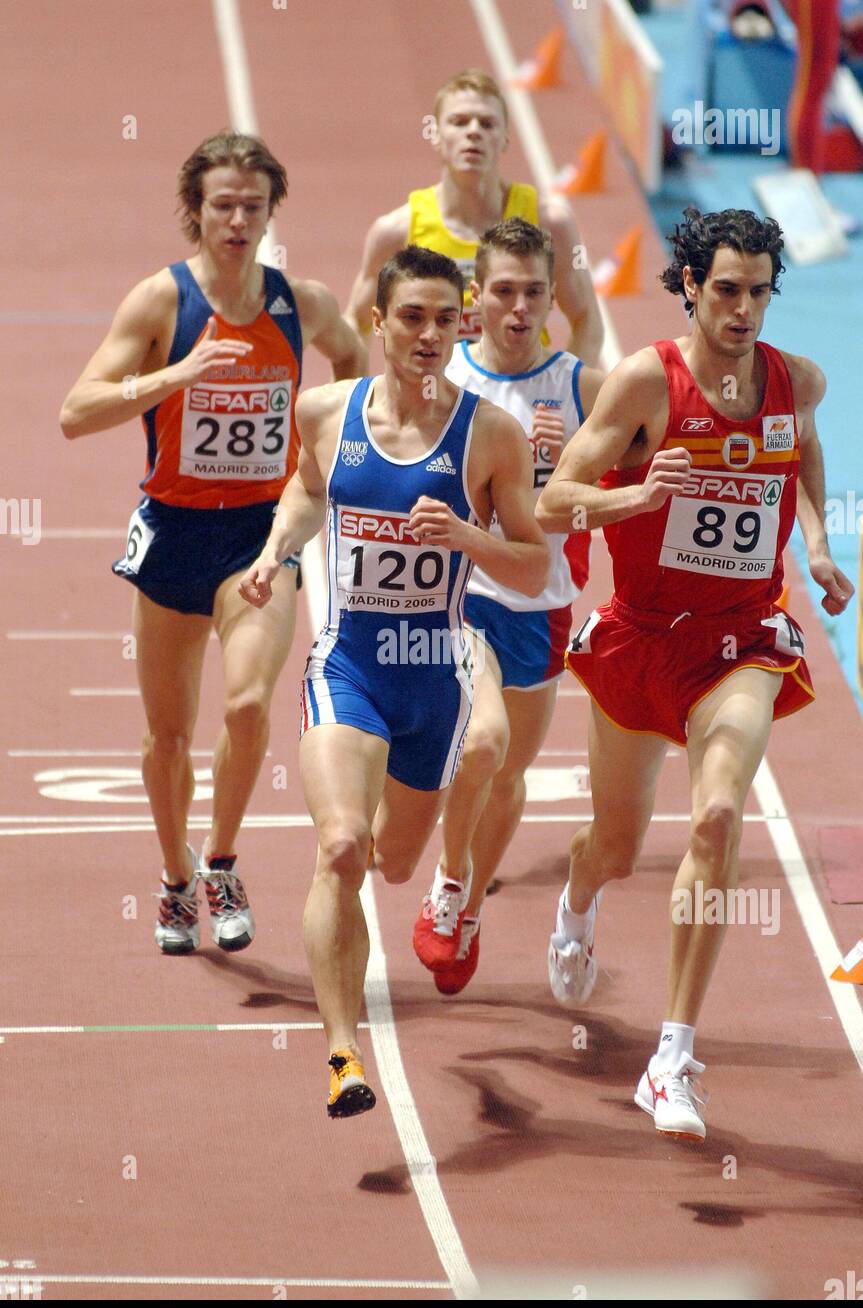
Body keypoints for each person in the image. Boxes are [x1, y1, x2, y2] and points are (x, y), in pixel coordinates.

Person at [536, 205, 854, 1141]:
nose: (743, 309)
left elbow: (799, 450)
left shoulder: (795, 381)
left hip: (741, 638)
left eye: (758, 292)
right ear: (688, 285)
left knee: (716, 815)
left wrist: (821, 543)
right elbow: (556, 498)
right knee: (616, 846)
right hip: (641, 637)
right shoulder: (645, 381)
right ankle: (578, 899)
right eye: (725, 289)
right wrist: (639, 492)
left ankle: (672, 1055)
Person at [239, 246, 548, 1117]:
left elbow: (531, 568)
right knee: (340, 847)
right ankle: (344, 1054)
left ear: (466, 325)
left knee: (393, 861)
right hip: (351, 666)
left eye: (446, 319)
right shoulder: (326, 411)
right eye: (411, 317)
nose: (428, 334)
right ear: (377, 323)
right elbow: (305, 494)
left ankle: (445, 884)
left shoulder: (491, 435)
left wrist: (466, 538)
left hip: (434, 679)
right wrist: (275, 552)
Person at [60, 131, 365, 956]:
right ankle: (173, 876)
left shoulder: (301, 302)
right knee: (166, 734)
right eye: (222, 204)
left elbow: (353, 361)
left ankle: (223, 860)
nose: (237, 219)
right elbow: (74, 413)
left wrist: (332, 435)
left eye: (252, 206)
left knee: (245, 704)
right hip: (172, 532)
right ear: (194, 212)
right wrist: (174, 377)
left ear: (272, 214)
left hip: (258, 534)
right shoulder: (160, 302)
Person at [411, 218, 603, 996]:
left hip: (541, 601)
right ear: (474, 300)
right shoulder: (444, 376)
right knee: (481, 745)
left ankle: (470, 911)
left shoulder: (581, 386)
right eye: (503, 292)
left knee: (509, 773)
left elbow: (620, 498)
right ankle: (449, 881)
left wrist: (567, 468)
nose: (519, 308)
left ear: (551, 297)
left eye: (533, 292)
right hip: (457, 597)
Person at [346, 68, 604, 365]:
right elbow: (356, 322)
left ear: (505, 138)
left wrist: (561, 391)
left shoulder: (549, 223)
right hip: (434, 402)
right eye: (458, 122)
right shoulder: (396, 232)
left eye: (487, 123)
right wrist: (356, 400)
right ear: (436, 135)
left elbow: (588, 323)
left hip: (517, 397)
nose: (473, 131)